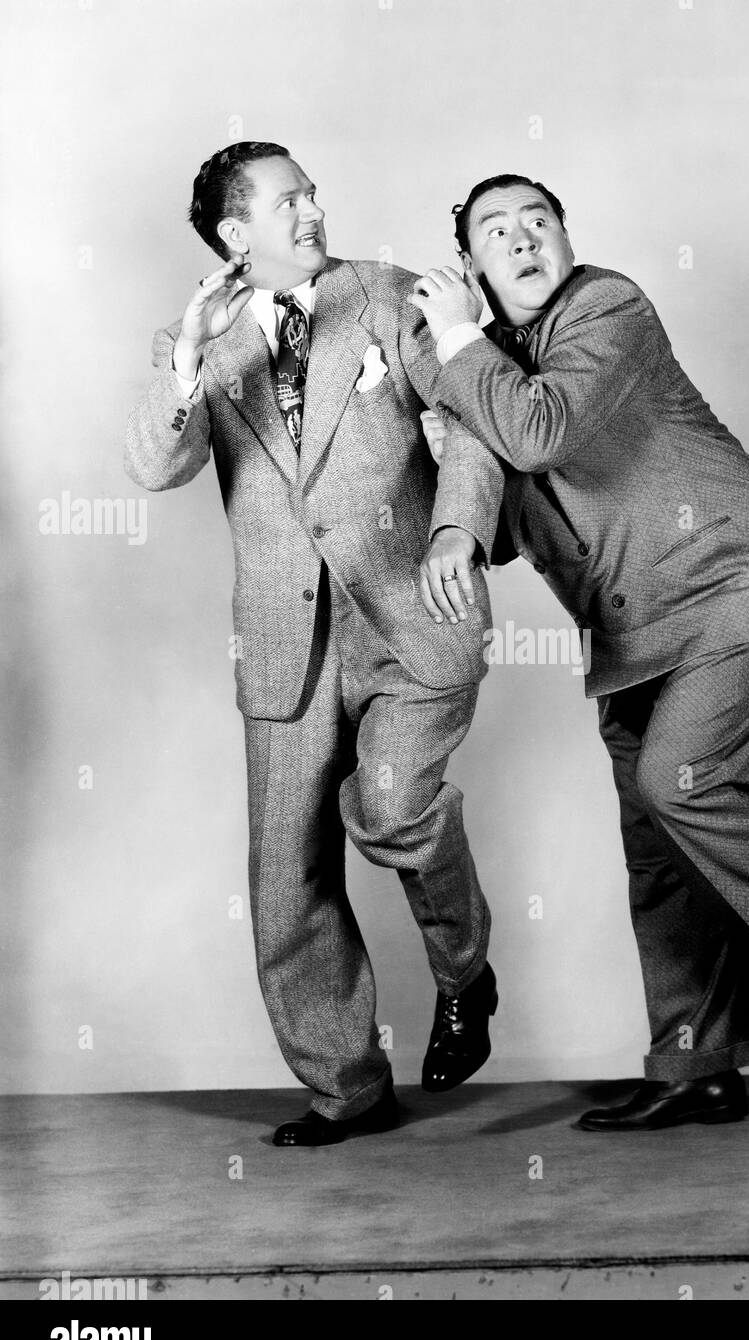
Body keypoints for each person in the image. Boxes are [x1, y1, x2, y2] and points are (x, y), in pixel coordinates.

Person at [412, 174, 749, 1131]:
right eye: (495, 230)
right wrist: (443, 455)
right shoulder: (492, 366)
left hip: (737, 582)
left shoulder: (606, 305)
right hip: (634, 632)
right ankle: (697, 1065)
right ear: (472, 262)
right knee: (660, 847)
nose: (521, 240)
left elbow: (540, 428)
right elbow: (512, 527)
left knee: (687, 782)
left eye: (537, 221)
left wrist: (457, 345)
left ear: (565, 236)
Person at [125, 143, 501, 1147]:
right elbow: (155, 466)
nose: (312, 209)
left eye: (312, 192)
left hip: (410, 610)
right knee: (286, 879)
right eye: (288, 201)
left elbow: (469, 416)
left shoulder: (382, 295)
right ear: (234, 232)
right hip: (282, 640)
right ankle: (349, 1089)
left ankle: (464, 968)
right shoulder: (195, 340)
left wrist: (460, 527)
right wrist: (182, 367)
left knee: (388, 803)